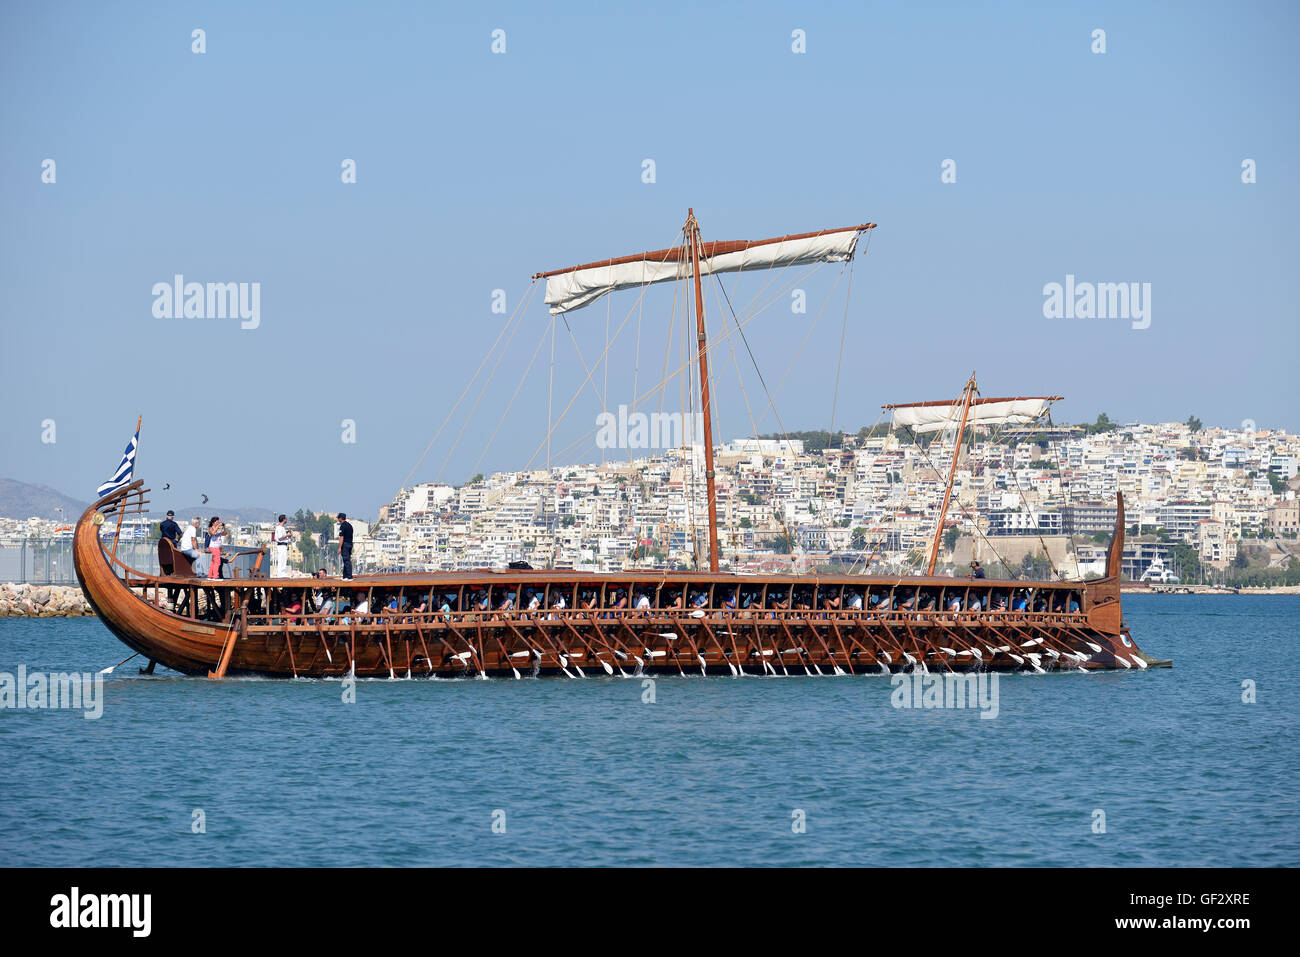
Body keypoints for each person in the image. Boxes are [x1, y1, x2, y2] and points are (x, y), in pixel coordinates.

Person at [336, 512, 354, 580]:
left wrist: (339, 547)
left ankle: (349, 576)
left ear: (341, 518)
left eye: (338, 518)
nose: (338, 519)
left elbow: (341, 537)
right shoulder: (349, 525)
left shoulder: (342, 526)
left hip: (345, 544)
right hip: (350, 544)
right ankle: (345, 576)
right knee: (346, 560)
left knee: (346, 561)